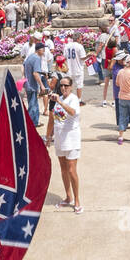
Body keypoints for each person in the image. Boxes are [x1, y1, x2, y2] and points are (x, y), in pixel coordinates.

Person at [50, 76, 84, 214]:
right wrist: (48, 136)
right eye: (61, 85)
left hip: (71, 139)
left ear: (71, 86)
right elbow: (53, 118)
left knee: (71, 170)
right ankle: (68, 196)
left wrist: (60, 102)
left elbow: (73, 112)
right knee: (63, 170)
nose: (63, 88)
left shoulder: (73, 99)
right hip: (59, 139)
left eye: (65, 85)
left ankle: (77, 200)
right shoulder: (59, 100)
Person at [23, 41, 48, 126]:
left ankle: (35, 122)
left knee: (34, 104)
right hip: (32, 85)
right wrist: (42, 86)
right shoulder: (37, 58)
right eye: (43, 49)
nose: (44, 51)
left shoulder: (30, 57)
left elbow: (24, 66)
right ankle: (30, 124)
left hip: (28, 84)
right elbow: (35, 73)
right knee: (33, 106)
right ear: (38, 50)